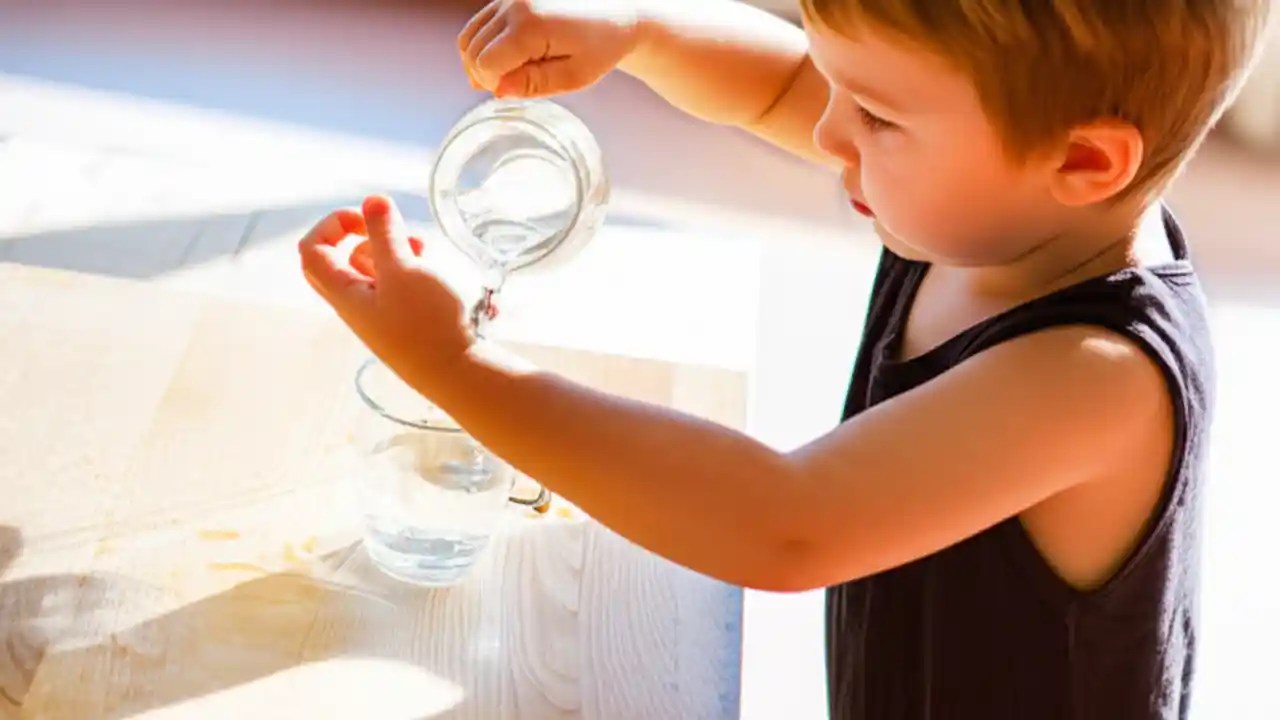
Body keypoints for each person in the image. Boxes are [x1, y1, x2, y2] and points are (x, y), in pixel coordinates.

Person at [298, 1, 1271, 717]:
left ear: (1082, 162)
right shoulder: (1003, 209)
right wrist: (640, 29)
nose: (823, 130)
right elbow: (782, 80)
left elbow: (781, 526)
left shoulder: (1094, 377)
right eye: (842, 90)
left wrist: (456, 368)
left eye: (876, 117)